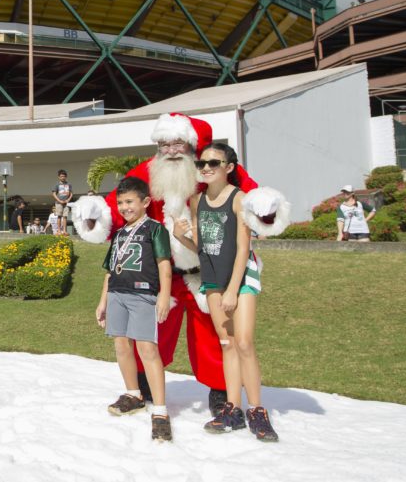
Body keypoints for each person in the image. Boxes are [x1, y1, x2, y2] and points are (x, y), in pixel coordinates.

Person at [73, 112, 290, 418]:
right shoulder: (147, 171)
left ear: (192, 144)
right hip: (162, 273)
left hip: (208, 271)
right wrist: (95, 213)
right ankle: (143, 386)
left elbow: (252, 197)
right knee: (151, 331)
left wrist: (264, 206)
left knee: (216, 336)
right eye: (165, 143)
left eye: (178, 143)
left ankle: (221, 390)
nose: (171, 149)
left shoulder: (211, 168)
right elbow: (117, 204)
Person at [172, 143, 279, 442]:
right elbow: (203, 249)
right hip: (212, 279)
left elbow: (244, 249)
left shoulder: (239, 199)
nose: (206, 168)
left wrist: (233, 290)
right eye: (201, 163)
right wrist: (182, 238)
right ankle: (232, 409)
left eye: (214, 163)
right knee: (226, 344)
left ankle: (257, 411)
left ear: (229, 167)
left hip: (240, 277)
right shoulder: (196, 201)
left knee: (244, 343)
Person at [96, 177, 173, 442]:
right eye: (120, 202)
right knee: (121, 346)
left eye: (129, 201)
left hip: (143, 295)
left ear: (145, 202)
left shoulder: (155, 229)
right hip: (117, 293)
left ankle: (161, 411)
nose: (124, 207)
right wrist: (102, 301)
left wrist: (164, 295)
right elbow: (110, 271)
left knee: (147, 349)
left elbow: (164, 265)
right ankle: (133, 393)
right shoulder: (118, 234)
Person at [51, 169, 74, 235]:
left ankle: (64, 231)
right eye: (61, 176)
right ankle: (58, 231)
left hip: (66, 202)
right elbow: (54, 193)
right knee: (59, 216)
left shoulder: (69, 184)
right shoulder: (57, 185)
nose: (62, 177)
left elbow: (71, 193)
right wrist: (59, 200)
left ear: (66, 176)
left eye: (64, 176)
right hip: (59, 203)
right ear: (59, 177)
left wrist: (68, 199)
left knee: (65, 216)